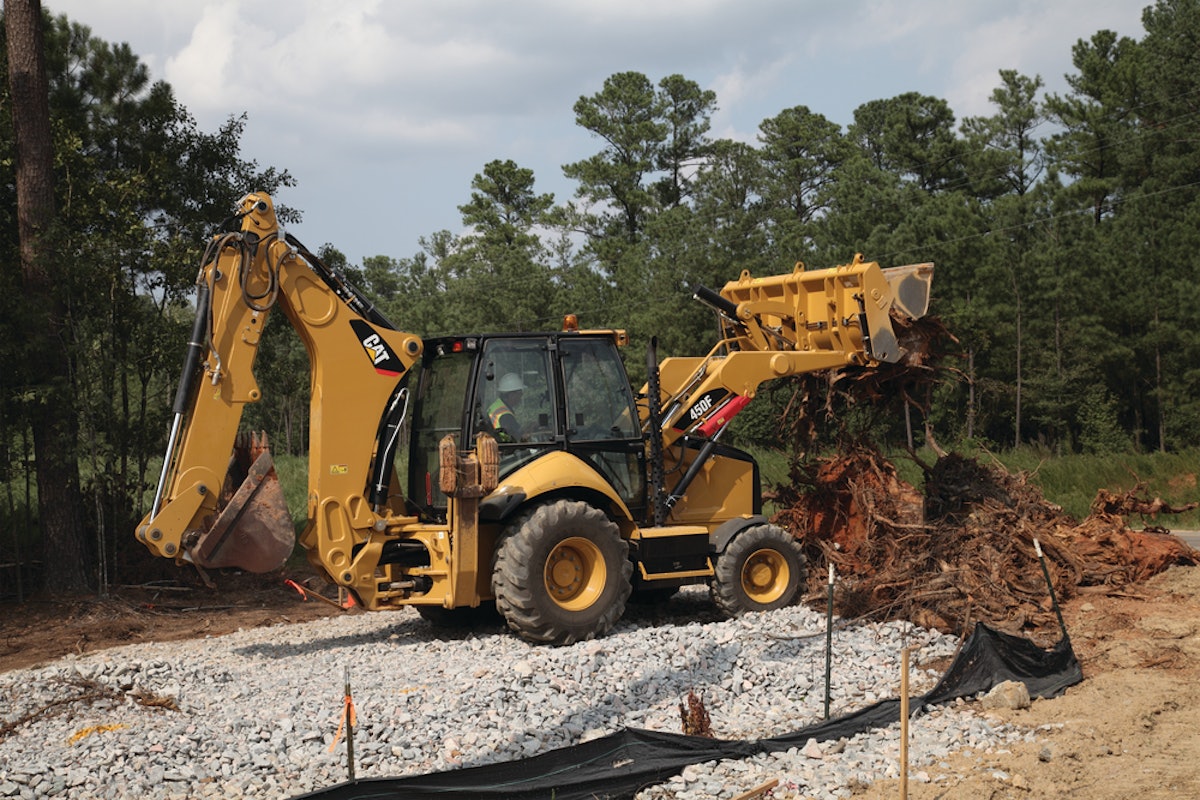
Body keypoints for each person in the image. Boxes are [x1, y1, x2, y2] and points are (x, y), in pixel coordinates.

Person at [488, 373, 525, 442]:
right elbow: (516, 437)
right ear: (511, 394)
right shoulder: (505, 415)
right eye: (520, 394)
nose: (520, 398)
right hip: (504, 449)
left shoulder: (496, 406)